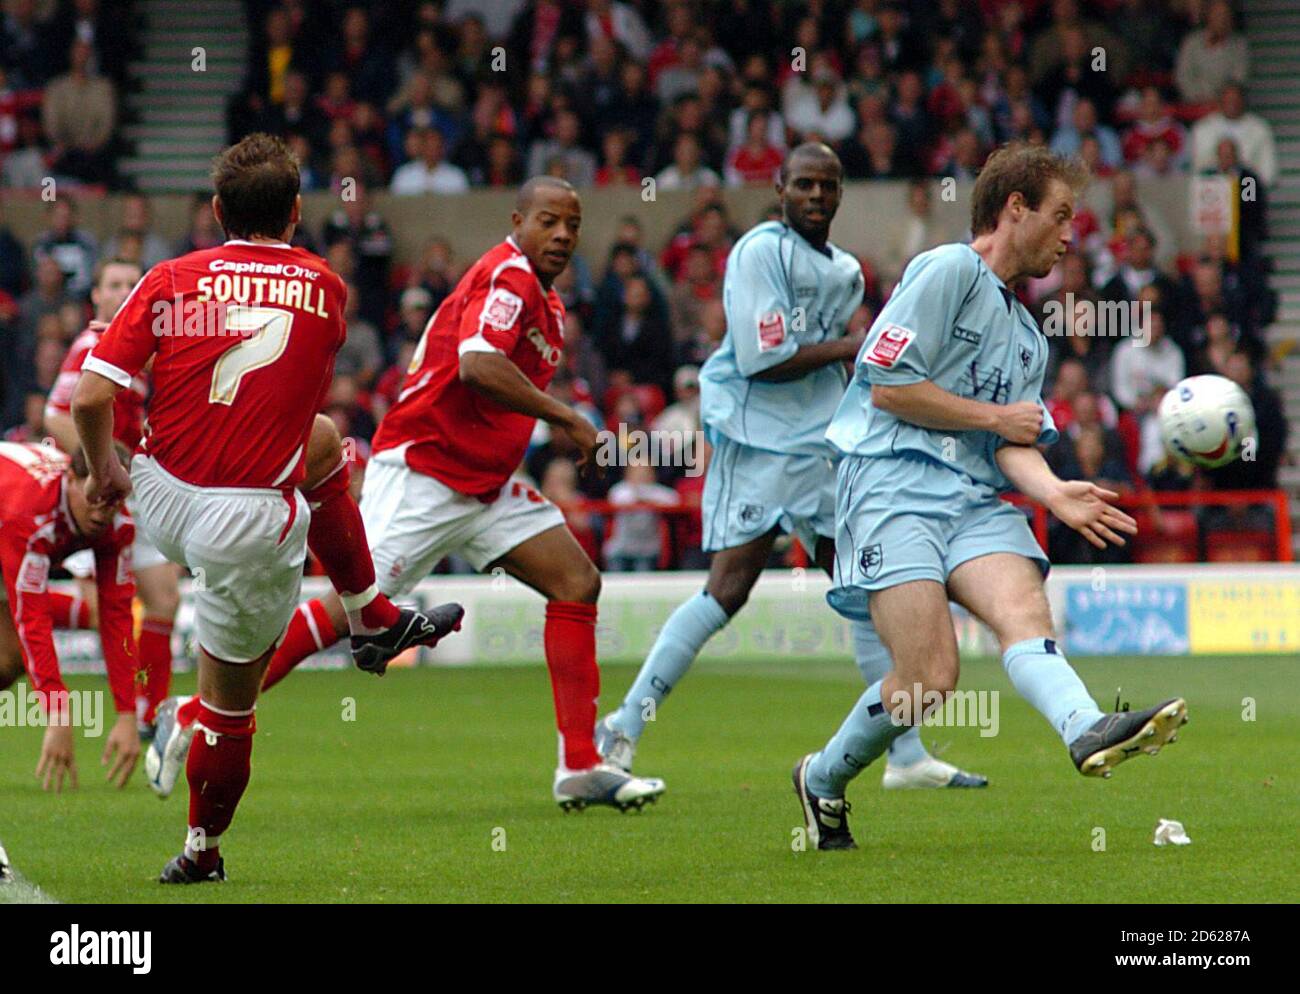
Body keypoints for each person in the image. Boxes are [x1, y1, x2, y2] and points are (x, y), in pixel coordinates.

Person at [70, 134, 460, 884]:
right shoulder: (327, 287)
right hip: (245, 521)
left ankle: (370, 610)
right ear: (297, 212)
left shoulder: (168, 277)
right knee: (230, 709)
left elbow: (93, 394)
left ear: (216, 211)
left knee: (322, 441)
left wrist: (105, 471)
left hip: (160, 495)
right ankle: (200, 851)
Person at [793, 143, 1187, 850]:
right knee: (928, 678)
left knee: (1024, 611)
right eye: (1061, 215)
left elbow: (1013, 443)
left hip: (970, 498)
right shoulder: (947, 271)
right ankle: (823, 777)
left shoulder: (1029, 341)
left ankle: (1085, 727)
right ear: (1015, 208)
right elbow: (888, 384)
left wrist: (1057, 491)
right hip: (890, 486)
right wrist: (994, 420)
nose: (1071, 236)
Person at [256, 176, 666, 812]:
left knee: (576, 581)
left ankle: (580, 764)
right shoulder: (509, 277)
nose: (561, 234)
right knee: (352, 609)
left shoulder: (549, 306)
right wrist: (566, 417)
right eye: (548, 221)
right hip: (425, 472)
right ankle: (204, 709)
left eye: (572, 226)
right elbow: (478, 364)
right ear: (517, 220)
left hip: (482, 487)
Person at [598, 144, 987, 790]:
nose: (815, 195)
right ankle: (623, 726)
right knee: (727, 590)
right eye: (803, 184)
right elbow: (762, 359)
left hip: (824, 447)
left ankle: (907, 753)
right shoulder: (758, 251)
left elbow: (842, 361)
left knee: (866, 588)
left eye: (827, 186)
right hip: (758, 444)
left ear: (840, 195)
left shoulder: (849, 273)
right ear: (779, 187)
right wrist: (854, 346)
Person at [44, 257, 183, 736]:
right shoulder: (91, 344)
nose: (124, 290)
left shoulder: (135, 351)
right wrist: (102, 467)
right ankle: (23, 623)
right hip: (95, 494)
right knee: (105, 611)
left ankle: (150, 717)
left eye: (132, 284)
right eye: (114, 284)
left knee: (164, 599)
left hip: (132, 490)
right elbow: (57, 417)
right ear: (97, 297)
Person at [0, 441, 140, 793]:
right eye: (95, 498)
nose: (102, 512)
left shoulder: (118, 526)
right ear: (72, 481)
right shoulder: (29, 515)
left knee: (7, 661)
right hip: (10, 513)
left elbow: (116, 618)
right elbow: (31, 619)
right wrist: (59, 715)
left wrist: (127, 713)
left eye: (114, 502)